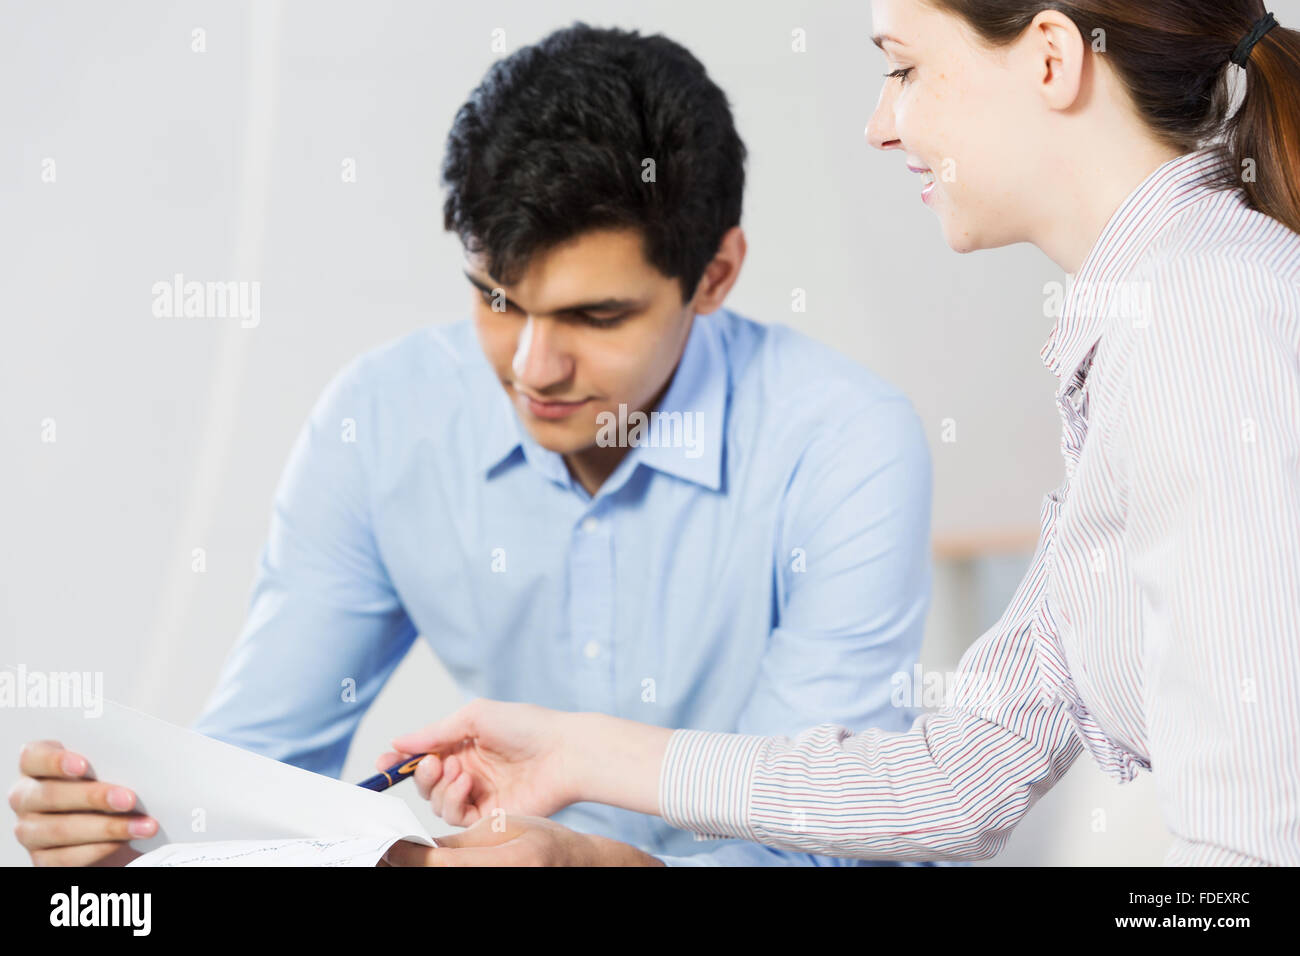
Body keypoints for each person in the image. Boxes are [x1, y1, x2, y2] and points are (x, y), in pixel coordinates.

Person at [377, 0, 1300, 867]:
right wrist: (579, 754)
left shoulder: (1208, 322)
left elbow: (1244, 864)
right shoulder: (1160, 316)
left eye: (903, 69)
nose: (879, 125)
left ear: (1054, 57)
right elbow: (959, 775)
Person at [10, 23, 935, 867]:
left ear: (715, 275)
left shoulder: (844, 445)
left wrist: (588, 866)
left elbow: (826, 841)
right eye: (497, 299)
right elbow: (256, 771)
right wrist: (146, 827)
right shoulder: (381, 421)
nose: (533, 367)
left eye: (596, 315)